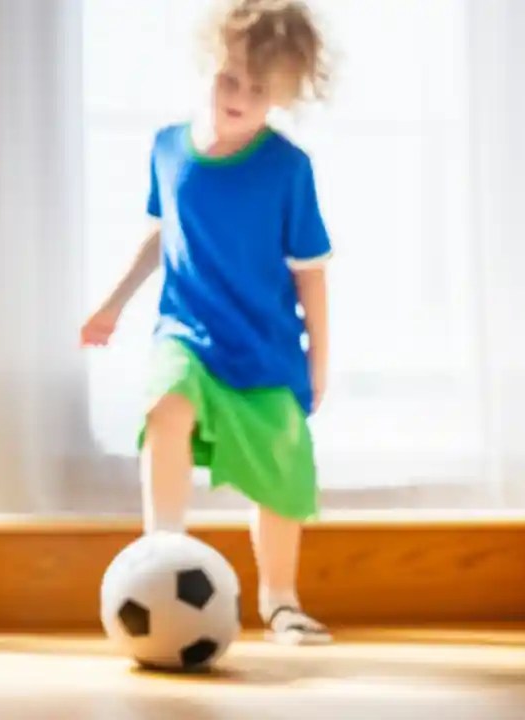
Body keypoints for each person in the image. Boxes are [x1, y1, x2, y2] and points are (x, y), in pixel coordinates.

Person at [80, 0, 333, 645]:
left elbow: (311, 274)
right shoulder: (168, 148)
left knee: (282, 470)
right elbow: (160, 234)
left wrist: (319, 361)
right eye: (229, 79)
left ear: (283, 93)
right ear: (207, 66)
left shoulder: (287, 168)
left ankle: (280, 598)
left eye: (259, 88)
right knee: (165, 403)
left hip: (266, 350)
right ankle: (161, 551)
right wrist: (112, 304)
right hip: (186, 331)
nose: (240, 97)